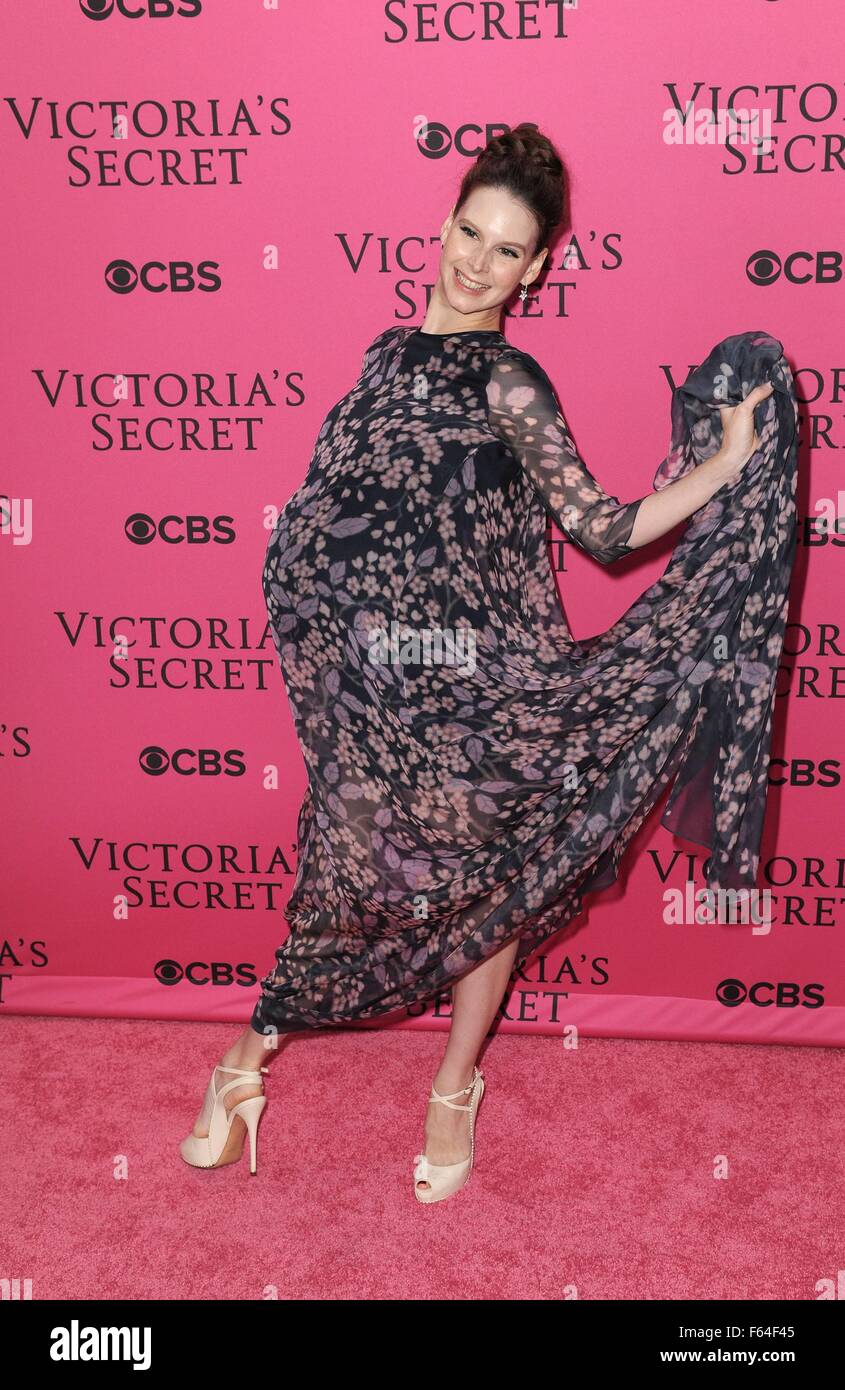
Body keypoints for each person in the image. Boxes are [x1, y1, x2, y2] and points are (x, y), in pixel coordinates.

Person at [180, 125, 793, 1201]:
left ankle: (452, 1088)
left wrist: (727, 462)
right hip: (372, 691)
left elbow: (603, 528)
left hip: (478, 685)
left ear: (536, 267)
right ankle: (241, 1070)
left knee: (488, 884)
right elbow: (338, 507)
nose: (475, 261)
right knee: (337, 878)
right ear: (444, 223)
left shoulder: (509, 381)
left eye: (504, 249)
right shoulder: (382, 354)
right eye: (469, 231)